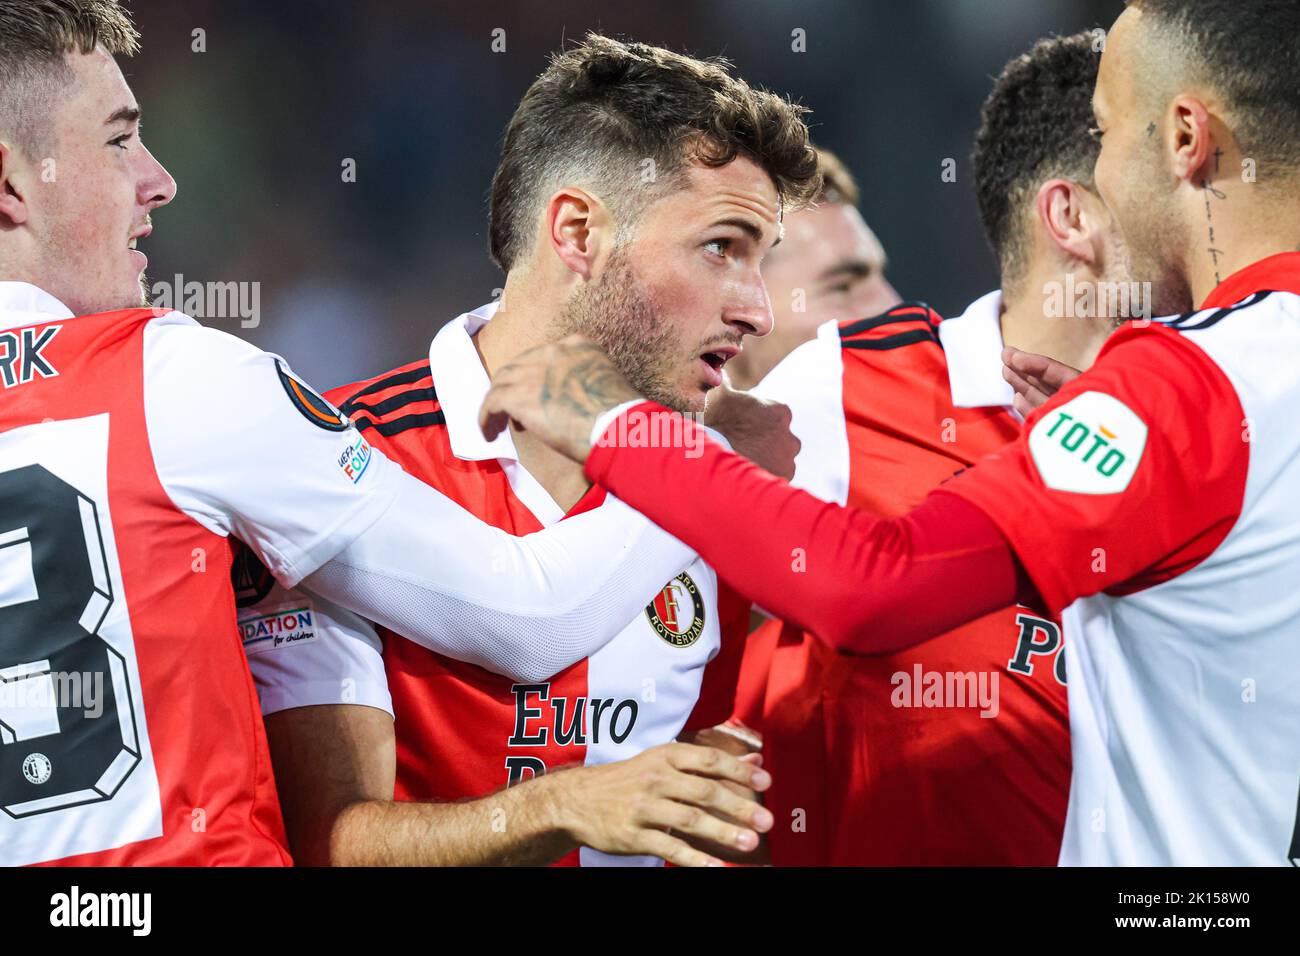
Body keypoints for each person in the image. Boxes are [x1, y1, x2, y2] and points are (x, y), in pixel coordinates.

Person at [479, 0, 1300, 866]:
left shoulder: (1200, 379)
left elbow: (873, 584)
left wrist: (615, 424)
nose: (1102, 166)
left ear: (1184, 139)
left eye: (1104, 131)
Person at [0, 1, 768, 866]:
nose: (159, 178)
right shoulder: (178, 380)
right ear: (11, 185)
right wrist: (710, 466)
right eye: (116, 140)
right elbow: (528, 618)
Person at [236, 34, 817, 867]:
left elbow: (695, 789)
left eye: (763, 261)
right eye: (721, 247)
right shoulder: (342, 462)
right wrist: (560, 809)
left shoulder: (714, 476)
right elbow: (329, 842)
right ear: (578, 232)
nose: (757, 311)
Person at [736, 32, 1170, 865]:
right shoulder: (840, 396)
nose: (889, 303)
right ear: (1073, 215)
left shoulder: (1232, 398)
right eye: (841, 281)